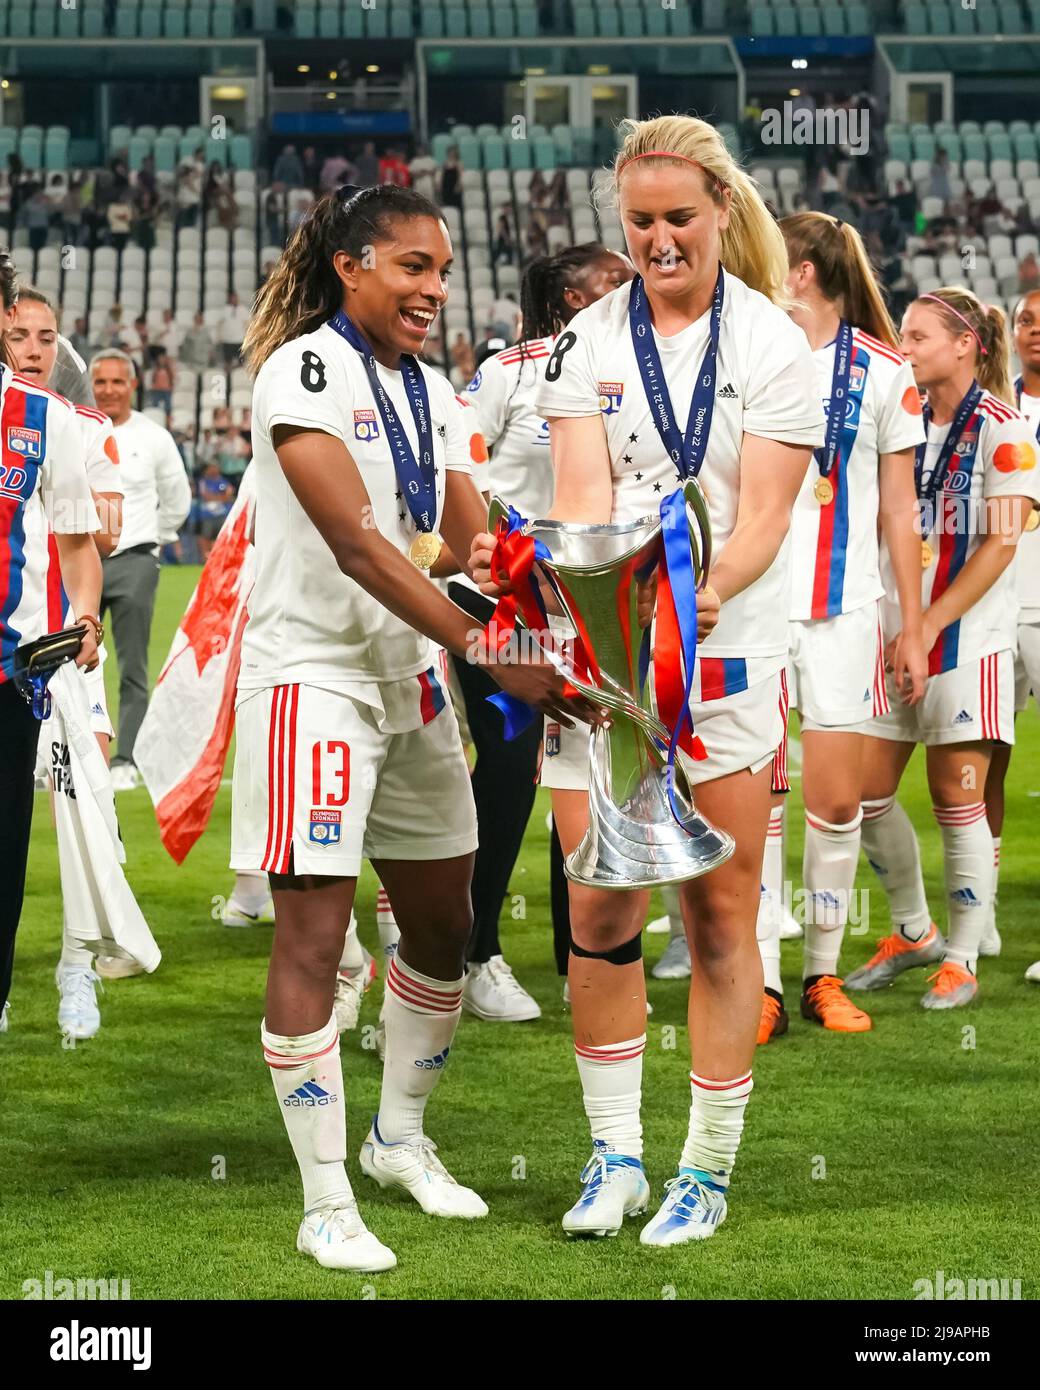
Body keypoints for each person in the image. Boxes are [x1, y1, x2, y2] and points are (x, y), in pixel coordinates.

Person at [471, 114, 825, 1244]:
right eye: (639, 222)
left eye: (678, 217)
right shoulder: (587, 344)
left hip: (720, 659)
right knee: (598, 908)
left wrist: (697, 591)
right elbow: (577, 500)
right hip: (607, 663)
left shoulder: (771, 343)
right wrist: (558, 587)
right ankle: (613, 1154)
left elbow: (764, 515)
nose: (659, 239)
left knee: (719, 920)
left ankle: (705, 1169)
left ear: (722, 209)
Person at [234, 183, 585, 1272]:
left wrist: (536, 599)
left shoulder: (430, 386)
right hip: (313, 675)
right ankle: (325, 1198)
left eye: (440, 270)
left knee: (442, 924)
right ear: (351, 266)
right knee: (311, 932)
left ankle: (397, 1139)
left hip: (409, 678)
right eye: (410, 267)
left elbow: (464, 530)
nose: (433, 288)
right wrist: (490, 649)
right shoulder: (302, 372)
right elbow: (357, 544)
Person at [753, 213, 928, 1041]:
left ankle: (820, 973)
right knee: (749, 804)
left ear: (805, 273)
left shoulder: (888, 373)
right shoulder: (744, 352)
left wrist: (913, 625)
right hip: (748, 606)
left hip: (843, 609)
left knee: (833, 806)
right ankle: (757, 985)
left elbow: (900, 509)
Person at [847, 288, 1039, 1009]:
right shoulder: (897, 424)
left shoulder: (1005, 428)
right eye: (902, 335)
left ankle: (962, 956)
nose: (905, 346)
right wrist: (902, 625)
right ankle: (912, 930)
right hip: (894, 636)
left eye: (919, 335)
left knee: (956, 799)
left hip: (968, 641)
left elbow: (1001, 544)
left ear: (966, 345)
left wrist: (928, 625)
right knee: (863, 795)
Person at [457, 243, 634, 1021]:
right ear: (571, 297)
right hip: (503, 602)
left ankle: (579, 956)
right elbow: (458, 472)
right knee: (506, 769)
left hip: (588, 606)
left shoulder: (636, 373)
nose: (632, 292)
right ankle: (474, 952)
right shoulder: (509, 372)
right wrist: (500, 561)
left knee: (588, 774)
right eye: (615, 284)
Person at [7, 286, 128, 1038]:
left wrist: (68, 498)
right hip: (13, 648)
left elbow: (101, 536)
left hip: (59, 651)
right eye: (19, 334)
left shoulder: (77, 426)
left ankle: (76, 969)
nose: (33, 348)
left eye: (46, 337)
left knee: (87, 809)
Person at [91, 349, 192, 790]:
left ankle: (124, 759)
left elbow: (177, 501)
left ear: (133, 385)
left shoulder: (154, 437)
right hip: (83, 565)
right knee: (68, 665)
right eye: (101, 382)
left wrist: (152, 542)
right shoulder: (78, 432)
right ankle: (66, 756)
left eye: (117, 381)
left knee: (133, 666)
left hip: (134, 560)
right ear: (92, 385)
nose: (109, 390)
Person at [983, 290, 1040, 979]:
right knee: (984, 762)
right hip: (994, 607)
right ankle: (981, 914)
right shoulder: (996, 408)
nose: (1037, 332)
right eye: (1028, 321)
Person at [219, 292, 250, 366]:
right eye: (232, 298)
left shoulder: (243, 309)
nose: (234, 300)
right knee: (227, 362)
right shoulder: (225, 309)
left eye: (235, 298)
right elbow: (220, 323)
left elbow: (247, 323)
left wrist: (247, 337)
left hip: (239, 339)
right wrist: (220, 335)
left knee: (240, 362)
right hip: (227, 339)